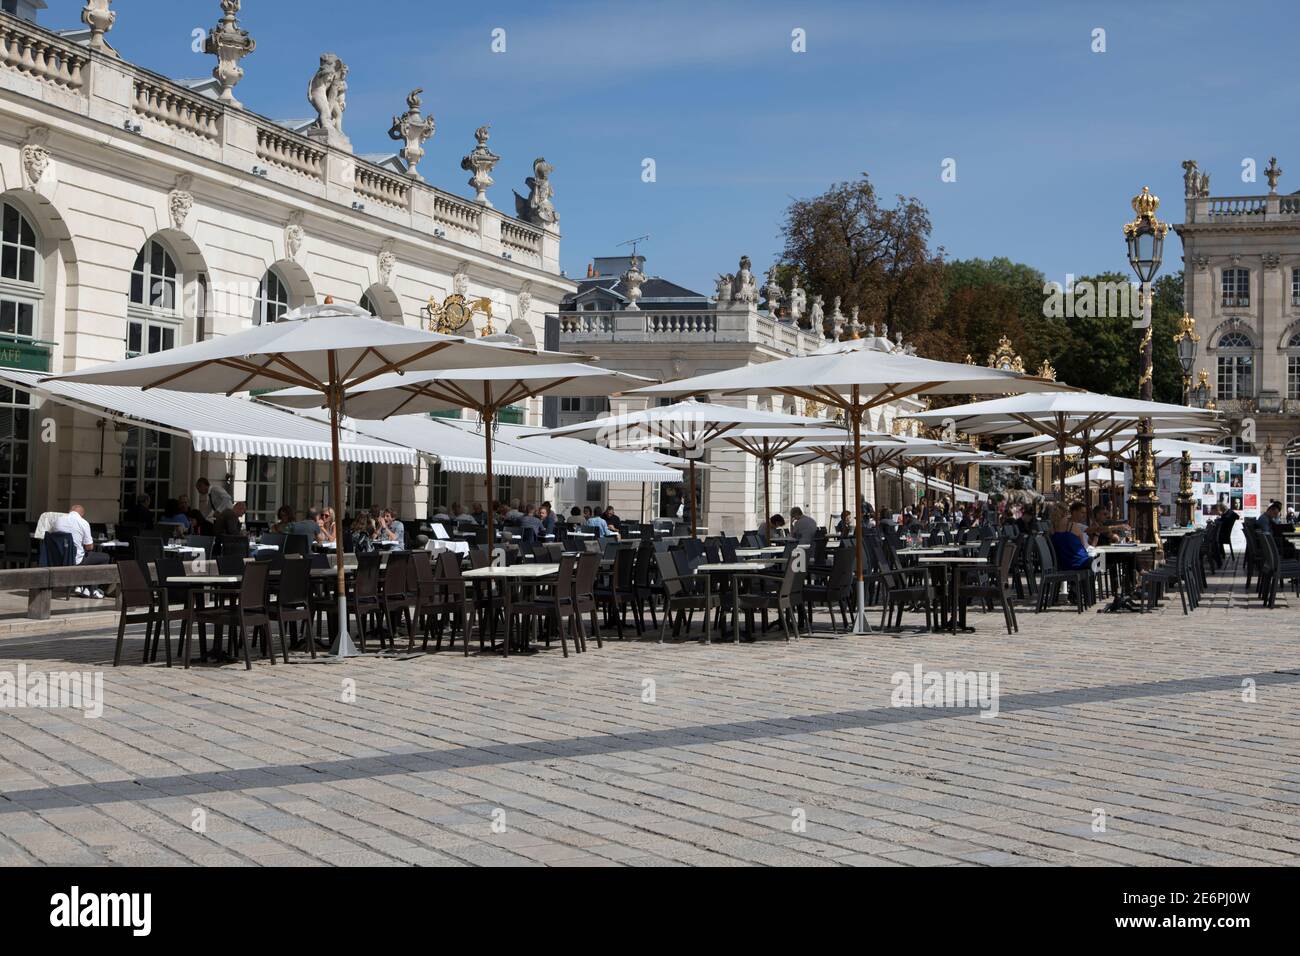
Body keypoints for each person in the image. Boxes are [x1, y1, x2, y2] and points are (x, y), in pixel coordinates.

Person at [52, 505, 109, 599]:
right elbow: (89, 547)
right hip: (75, 560)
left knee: (89, 558)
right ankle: (92, 589)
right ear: (81, 514)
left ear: (70, 511)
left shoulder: (57, 521)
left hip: (58, 559)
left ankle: (81, 586)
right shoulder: (83, 522)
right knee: (104, 557)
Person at [1050, 501, 1092, 570]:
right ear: (1066, 513)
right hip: (1080, 562)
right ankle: (1094, 580)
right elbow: (1083, 546)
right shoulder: (1072, 526)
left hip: (1064, 564)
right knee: (1102, 560)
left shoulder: (1052, 529)